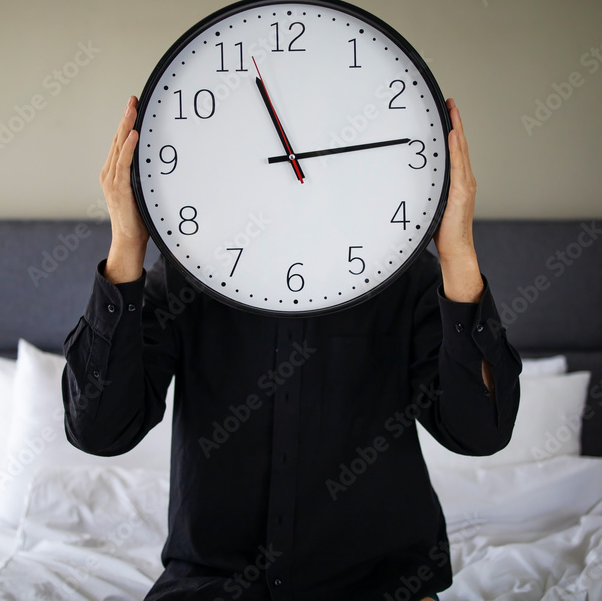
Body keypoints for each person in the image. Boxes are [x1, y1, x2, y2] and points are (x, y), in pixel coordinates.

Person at [62, 95, 522, 600]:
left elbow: (480, 432)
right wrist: (127, 243)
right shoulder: (186, 274)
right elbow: (99, 430)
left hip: (383, 582)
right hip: (214, 583)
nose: (292, 166)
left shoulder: (401, 272)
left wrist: (458, 253)